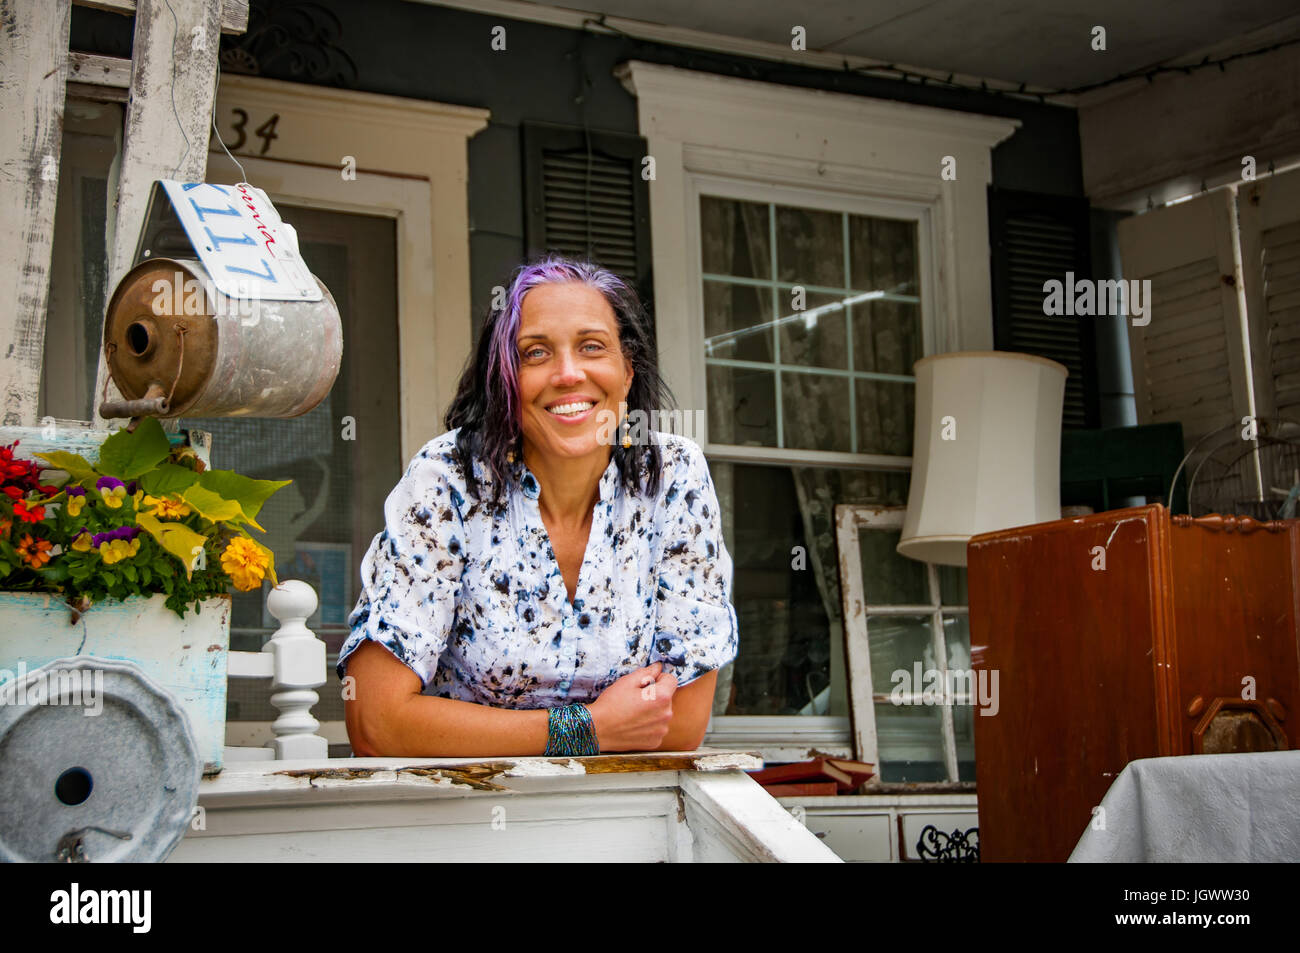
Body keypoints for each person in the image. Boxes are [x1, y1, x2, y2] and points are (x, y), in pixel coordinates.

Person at [339, 255, 739, 757]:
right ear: (503, 378)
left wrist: (462, 727)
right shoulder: (448, 480)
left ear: (627, 369)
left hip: (619, 815)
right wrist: (584, 728)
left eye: (592, 346)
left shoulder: (672, 477)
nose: (568, 374)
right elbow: (376, 720)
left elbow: (678, 724)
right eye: (535, 353)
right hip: (449, 816)